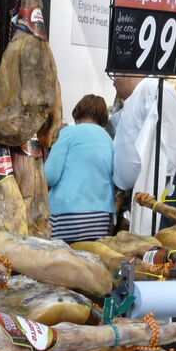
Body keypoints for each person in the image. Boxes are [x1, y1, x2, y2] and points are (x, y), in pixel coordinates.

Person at [111, 75, 176, 234]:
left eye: (115, 77)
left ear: (127, 74)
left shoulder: (156, 88)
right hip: (148, 187)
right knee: (149, 247)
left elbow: (172, 134)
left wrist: (166, 180)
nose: (113, 83)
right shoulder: (135, 98)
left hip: (167, 184)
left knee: (167, 245)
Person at [44, 94, 116, 242]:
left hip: (65, 214)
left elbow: (50, 175)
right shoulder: (109, 139)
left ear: (78, 112)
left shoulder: (67, 133)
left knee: (61, 262)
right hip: (100, 218)